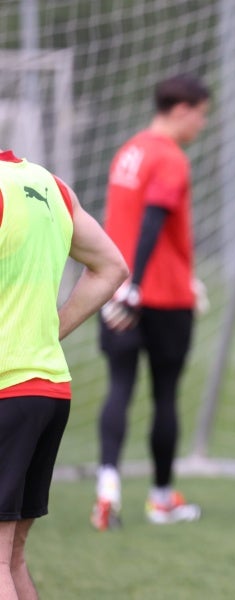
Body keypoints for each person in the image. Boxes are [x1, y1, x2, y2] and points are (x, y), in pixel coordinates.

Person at [0, 148, 129, 598]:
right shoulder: (52, 186)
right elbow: (113, 266)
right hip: (48, 390)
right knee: (11, 558)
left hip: (6, 391)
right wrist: (50, 333)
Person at [91, 74, 211, 530]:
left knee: (118, 386)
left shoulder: (129, 151)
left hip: (114, 289)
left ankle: (107, 493)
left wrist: (120, 286)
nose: (201, 124)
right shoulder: (169, 158)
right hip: (159, 296)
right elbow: (153, 222)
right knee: (164, 395)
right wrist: (140, 284)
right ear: (181, 109)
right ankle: (161, 499)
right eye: (201, 114)